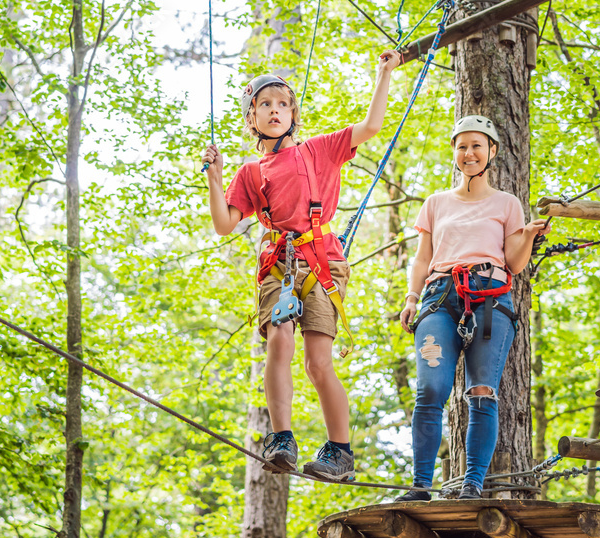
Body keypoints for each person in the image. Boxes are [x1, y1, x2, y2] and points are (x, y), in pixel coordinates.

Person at [202, 50, 401, 482]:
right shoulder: (250, 172)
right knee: (279, 343)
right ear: (251, 117)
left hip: (322, 257)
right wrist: (215, 181)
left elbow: (371, 126)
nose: (275, 111)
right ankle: (281, 439)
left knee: (317, 361)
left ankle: (340, 452)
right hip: (278, 262)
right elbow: (223, 225)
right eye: (265, 105)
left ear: (293, 114)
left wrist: (383, 73)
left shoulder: (320, 150)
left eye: (282, 104)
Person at [396, 115, 550, 500]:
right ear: (454, 152)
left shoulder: (507, 203)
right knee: (431, 389)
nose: (469, 153)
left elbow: (515, 263)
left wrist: (528, 235)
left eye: (477, 145)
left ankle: (473, 483)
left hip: (490, 299)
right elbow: (421, 258)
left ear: (492, 152)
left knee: (482, 391)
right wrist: (411, 297)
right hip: (439, 296)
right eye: (462, 146)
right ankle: (420, 485)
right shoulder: (435, 204)